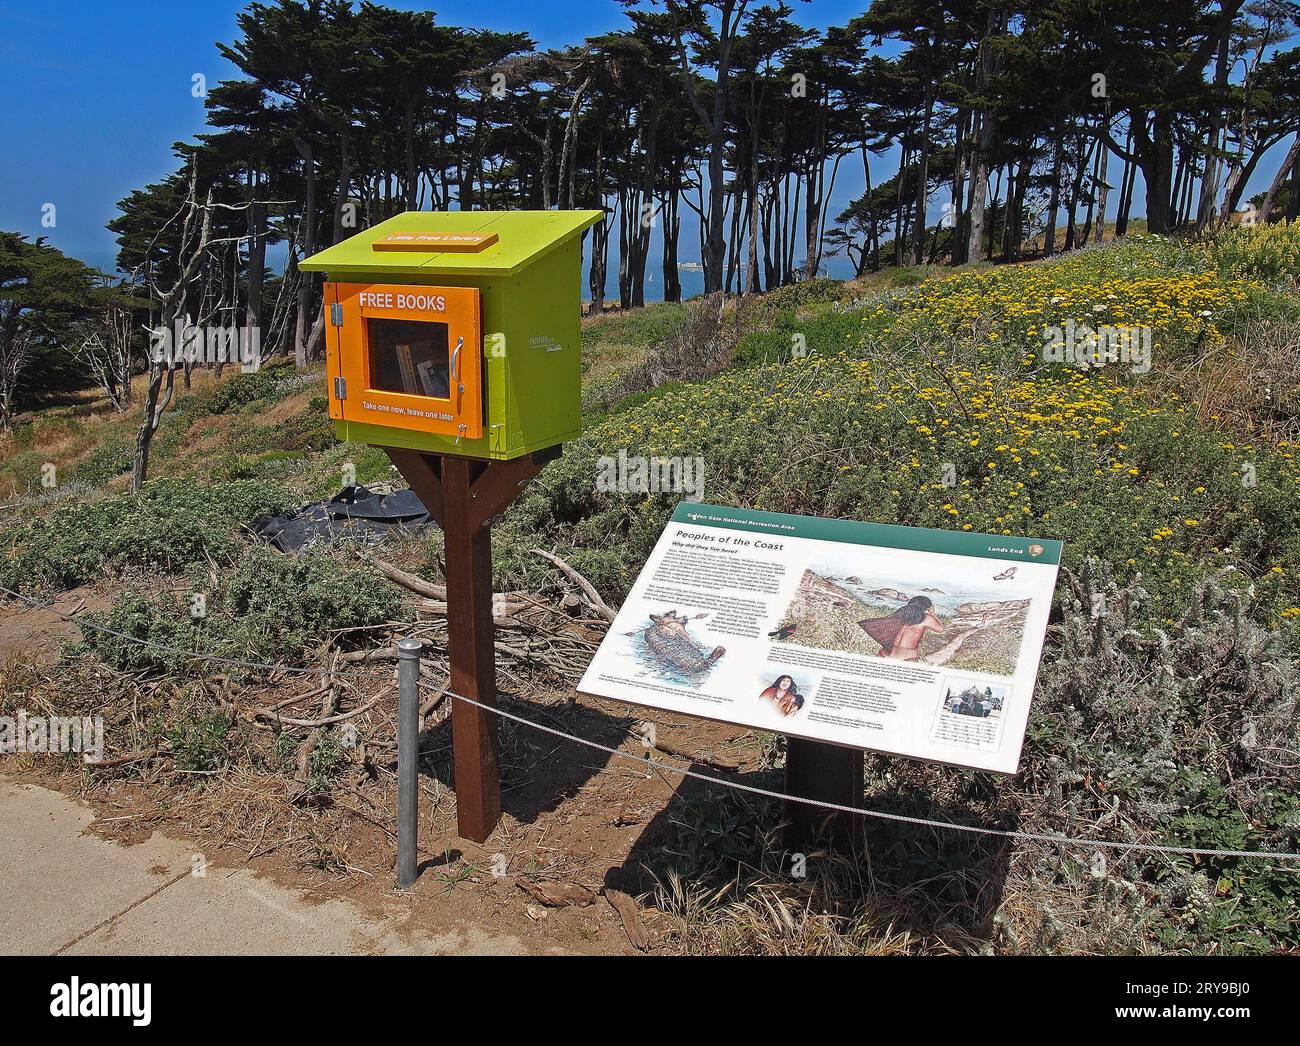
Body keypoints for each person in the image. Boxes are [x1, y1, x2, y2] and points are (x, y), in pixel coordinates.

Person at [858, 596, 945, 661]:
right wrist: (933, 613)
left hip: (885, 654)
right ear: (925, 607)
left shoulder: (902, 614)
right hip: (906, 658)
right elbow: (941, 629)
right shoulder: (926, 618)